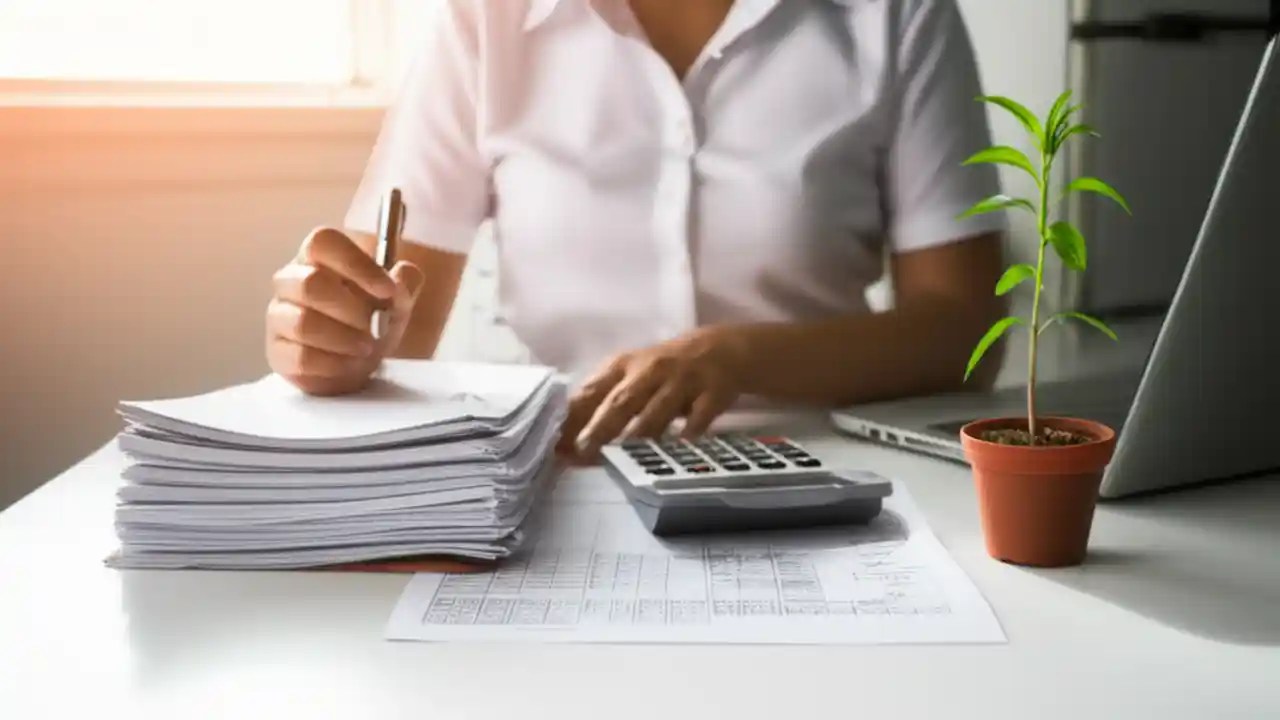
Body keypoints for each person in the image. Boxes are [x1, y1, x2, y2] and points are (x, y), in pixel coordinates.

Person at [264, 0, 1007, 462]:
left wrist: (737, 354)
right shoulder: (485, 18)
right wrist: (322, 338)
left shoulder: (900, 13)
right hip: (554, 468)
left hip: (822, 466)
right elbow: (377, 323)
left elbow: (965, 330)